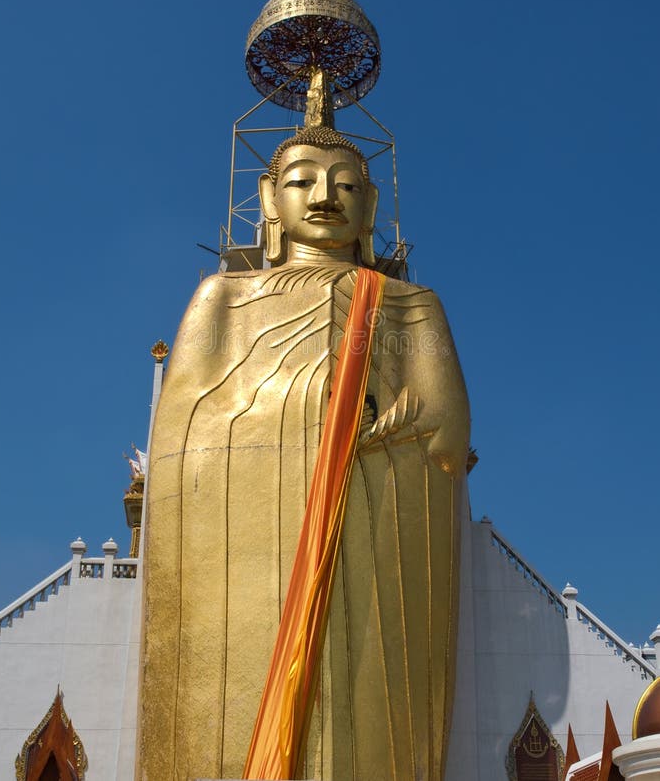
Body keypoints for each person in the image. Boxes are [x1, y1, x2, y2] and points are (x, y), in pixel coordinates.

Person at [137, 124, 470, 781]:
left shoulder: (409, 306)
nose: (324, 196)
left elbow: (445, 432)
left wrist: (373, 432)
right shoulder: (224, 297)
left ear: (370, 207)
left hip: (371, 529)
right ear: (268, 199)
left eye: (346, 185)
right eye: (302, 181)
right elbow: (180, 431)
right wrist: (303, 410)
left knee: (366, 695)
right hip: (243, 546)